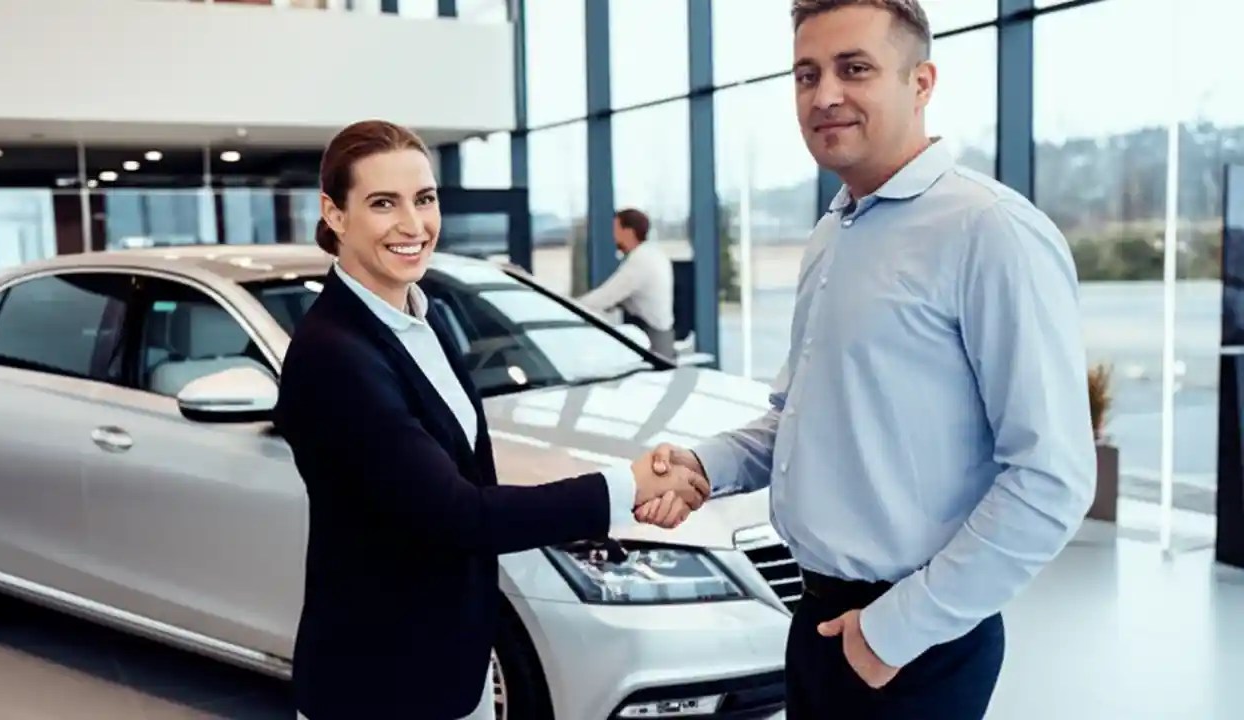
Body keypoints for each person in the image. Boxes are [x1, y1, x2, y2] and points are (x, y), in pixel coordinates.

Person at [638, 1, 1095, 717]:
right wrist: (704, 465)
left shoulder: (989, 230)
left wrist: (895, 632)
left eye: (855, 69)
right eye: (805, 74)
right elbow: (798, 418)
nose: (824, 96)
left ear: (921, 83)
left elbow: (1052, 476)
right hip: (817, 617)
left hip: (915, 638)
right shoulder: (835, 230)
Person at [273, 120, 710, 720]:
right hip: (381, 681)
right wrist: (630, 487)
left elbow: (472, 478)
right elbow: (459, 513)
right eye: (383, 203)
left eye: (424, 200)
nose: (413, 224)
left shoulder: (424, 316)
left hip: (454, 661)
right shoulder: (333, 355)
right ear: (336, 213)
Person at [576, 208, 677, 359]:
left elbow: (605, 297)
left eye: (616, 230)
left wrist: (567, 306)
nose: (613, 237)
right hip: (662, 337)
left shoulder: (641, 260)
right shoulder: (653, 254)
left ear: (628, 232)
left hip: (652, 343)